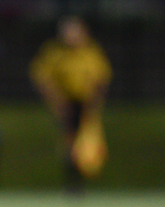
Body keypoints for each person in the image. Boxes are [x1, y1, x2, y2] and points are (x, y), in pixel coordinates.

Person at [30, 15, 111, 195]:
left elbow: (101, 79)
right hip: (66, 103)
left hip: (86, 103)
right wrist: (57, 101)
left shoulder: (91, 52)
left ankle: (87, 178)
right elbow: (42, 78)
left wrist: (94, 104)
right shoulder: (54, 53)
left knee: (89, 143)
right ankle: (73, 182)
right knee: (69, 143)